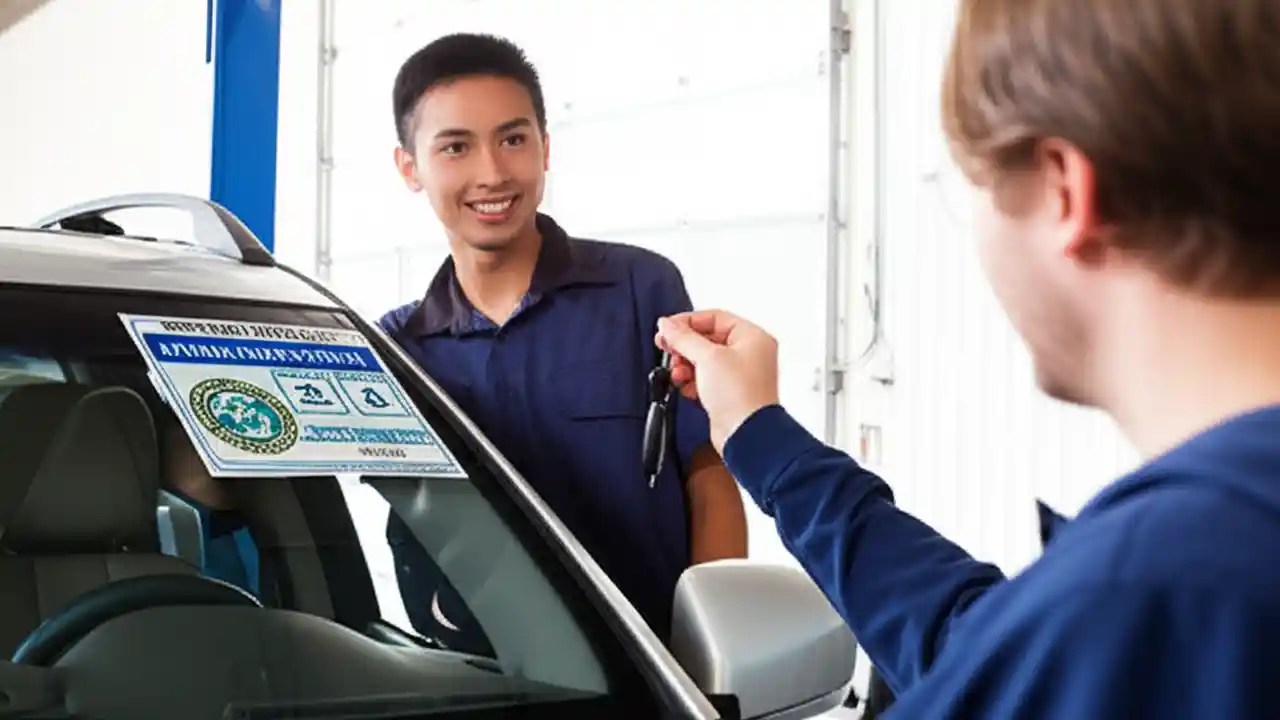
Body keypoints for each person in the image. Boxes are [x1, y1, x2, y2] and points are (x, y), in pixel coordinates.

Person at [654, 0, 1280, 716]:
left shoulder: (1147, 595)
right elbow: (984, 647)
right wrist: (760, 435)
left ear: (1064, 190)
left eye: (972, 185)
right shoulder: (1155, 617)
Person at [377, 32, 748, 649]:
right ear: (410, 167)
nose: (492, 173)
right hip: (476, 682)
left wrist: (720, 652)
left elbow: (706, 468)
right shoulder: (398, 346)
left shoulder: (639, 289)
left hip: (654, 676)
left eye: (513, 139)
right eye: (456, 147)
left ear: (545, 147)